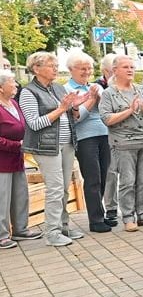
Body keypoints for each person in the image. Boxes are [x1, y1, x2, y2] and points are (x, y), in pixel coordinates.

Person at [20, 51, 85, 246]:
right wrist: (62, 109)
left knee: (64, 188)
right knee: (55, 189)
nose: (55, 69)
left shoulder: (57, 88)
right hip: (46, 147)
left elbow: (72, 117)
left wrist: (74, 107)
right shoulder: (28, 92)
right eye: (51, 65)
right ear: (36, 68)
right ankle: (52, 232)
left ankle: (63, 226)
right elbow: (34, 123)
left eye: (56, 65)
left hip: (67, 144)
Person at [100, 55, 143, 232]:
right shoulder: (108, 93)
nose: (130, 70)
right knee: (127, 181)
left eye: (132, 67)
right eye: (125, 67)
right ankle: (128, 217)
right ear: (115, 70)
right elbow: (107, 119)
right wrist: (130, 111)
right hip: (123, 143)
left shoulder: (142, 90)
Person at [66, 50, 113, 233]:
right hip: (85, 138)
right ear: (71, 69)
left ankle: (99, 213)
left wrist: (97, 98)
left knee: (104, 177)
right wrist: (91, 101)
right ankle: (95, 220)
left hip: (104, 134)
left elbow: (106, 111)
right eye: (82, 69)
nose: (86, 72)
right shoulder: (68, 89)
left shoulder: (96, 87)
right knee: (92, 178)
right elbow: (76, 117)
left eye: (89, 68)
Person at [0, 69, 42, 248]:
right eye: (12, 81)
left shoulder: (14, 104)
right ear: (1, 87)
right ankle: (2, 235)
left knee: (20, 194)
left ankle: (21, 229)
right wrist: (16, 145)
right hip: (2, 160)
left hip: (18, 158)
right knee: (2, 198)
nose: (16, 84)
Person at [98, 52, 120, 227]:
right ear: (107, 70)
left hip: (124, 134)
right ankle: (111, 207)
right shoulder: (99, 87)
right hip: (106, 133)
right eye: (114, 69)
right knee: (111, 171)